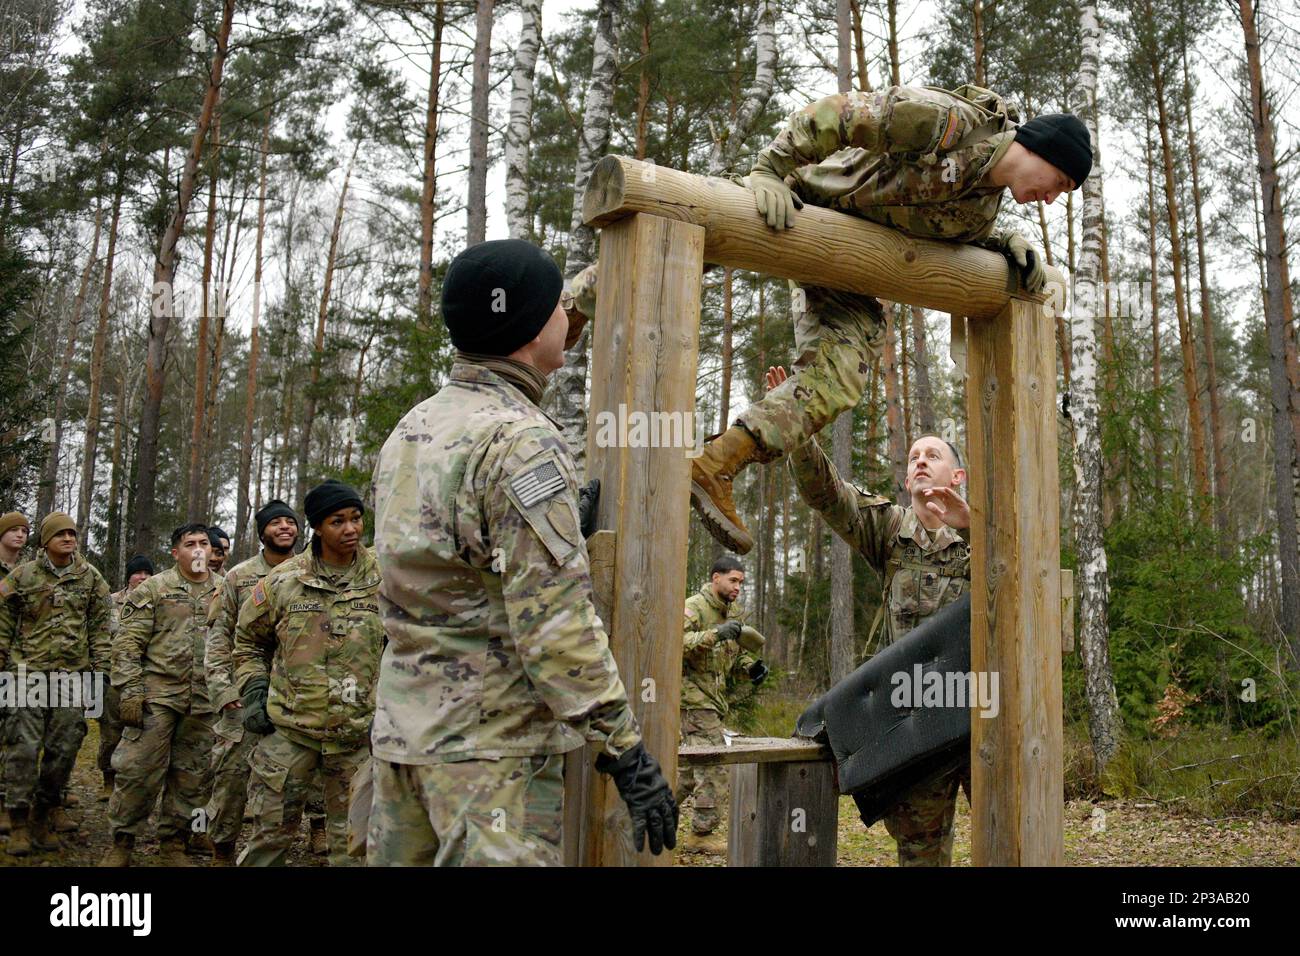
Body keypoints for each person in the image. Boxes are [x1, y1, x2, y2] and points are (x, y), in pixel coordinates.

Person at [566, 88, 1091, 555]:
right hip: (800, 196)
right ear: (1040, 150)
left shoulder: (982, 211)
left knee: (840, 376)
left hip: (847, 261)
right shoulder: (947, 123)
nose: (1052, 196)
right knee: (697, 230)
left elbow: (947, 234)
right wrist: (770, 170)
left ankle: (717, 463)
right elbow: (840, 114)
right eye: (1059, 180)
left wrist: (1003, 244)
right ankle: (572, 304)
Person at [368, 238, 677, 866]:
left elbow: (444, 570)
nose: (569, 316)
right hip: (489, 763)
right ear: (531, 324)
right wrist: (626, 752)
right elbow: (553, 624)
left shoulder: (412, 429)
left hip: (403, 746)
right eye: (560, 304)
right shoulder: (521, 442)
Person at [772, 364, 973, 866]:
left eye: (933, 455)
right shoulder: (889, 531)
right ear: (907, 479)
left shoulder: (987, 535)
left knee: (1011, 838)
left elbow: (1027, 576)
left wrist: (976, 526)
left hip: (986, 717)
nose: (921, 462)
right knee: (921, 855)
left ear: (959, 476)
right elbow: (828, 495)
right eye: (914, 458)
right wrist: (798, 424)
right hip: (919, 720)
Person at [232, 481, 382, 867]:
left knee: (354, 851)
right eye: (337, 521)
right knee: (267, 843)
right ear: (316, 527)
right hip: (290, 734)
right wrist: (254, 689)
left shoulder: (384, 578)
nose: (350, 529)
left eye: (355, 519)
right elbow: (248, 642)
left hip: (357, 737)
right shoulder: (283, 581)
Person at [101, 523, 221, 867]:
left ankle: (175, 844)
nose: (198, 549)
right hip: (157, 698)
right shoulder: (154, 588)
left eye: (204, 544)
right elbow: (126, 644)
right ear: (176, 552)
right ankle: (122, 842)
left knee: (194, 777)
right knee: (137, 771)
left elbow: (235, 644)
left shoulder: (224, 591)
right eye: (190, 544)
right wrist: (131, 692)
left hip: (204, 702)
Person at [202, 499, 311, 865]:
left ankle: (317, 833)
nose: (285, 528)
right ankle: (222, 847)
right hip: (244, 692)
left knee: (293, 777)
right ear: (262, 531)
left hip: (295, 694)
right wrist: (225, 693)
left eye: (290, 522)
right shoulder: (239, 577)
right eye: (276, 523)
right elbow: (220, 638)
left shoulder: (311, 571)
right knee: (231, 776)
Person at [0, 513, 113, 855]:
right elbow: (4, 621)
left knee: (64, 749)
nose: (68, 538)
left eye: (72, 533)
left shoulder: (91, 578)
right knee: (22, 747)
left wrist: (100, 671)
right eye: (60, 534)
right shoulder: (22, 576)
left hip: (71, 676)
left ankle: (42, 813)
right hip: (26, 674)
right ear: (45, 541)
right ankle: (17, 820)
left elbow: (100, 628)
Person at [677, 555, 767, 853]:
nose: (738, 587)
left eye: (741, 582)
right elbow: (676, 641)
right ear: (716, 578)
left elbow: (732, 653)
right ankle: (701, 836)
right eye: (733, 580)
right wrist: (715, 634)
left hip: (713, 701)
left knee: (689, 774)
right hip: (692, 700)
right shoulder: (694, 607)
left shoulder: (732, 613)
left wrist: (749, 667)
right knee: (713, 767)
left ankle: (647, 811)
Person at [98, 554, 155, 802]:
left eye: (146, 573)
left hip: (146, 675)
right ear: (128, 576)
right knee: (111, 731)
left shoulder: (157, 601)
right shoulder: (110, 603)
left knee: (141, 731)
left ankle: (134, 783)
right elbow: (100, 636)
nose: (142, 577)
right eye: (137, 573)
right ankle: (108, 778)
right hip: (113, 676)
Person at [0, 510, 31, 837]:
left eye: (25, 530)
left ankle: (8, 802)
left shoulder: (26, 572)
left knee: (12, 730)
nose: (20, 535)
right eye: (14, 530)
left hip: (15, 661)